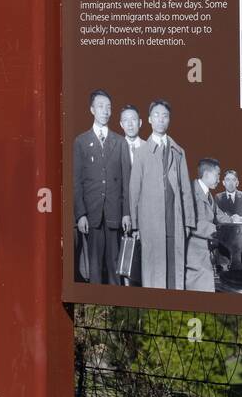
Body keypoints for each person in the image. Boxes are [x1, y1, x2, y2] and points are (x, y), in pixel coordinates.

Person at [128, 99, 193, 290]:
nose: (160, 120)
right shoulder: (141, 153)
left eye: (165, 116)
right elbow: (134, 190)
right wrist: (135, 225)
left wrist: (188, 221)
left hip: (175, 218)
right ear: (149, 119)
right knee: (153, 267)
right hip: (150, 221)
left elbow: (185, 190)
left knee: (175, 265)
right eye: (156, 115)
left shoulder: (178, 152)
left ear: (169, 120)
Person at [72, 89, 128, 284]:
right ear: (92, 110)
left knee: (115, 266)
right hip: (92, 214)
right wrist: (80, 214)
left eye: (109, 107)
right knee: (93, 267)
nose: (105, 111)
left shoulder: (120, 142)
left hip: (114, 213)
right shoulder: (80, 142)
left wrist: (126, 213)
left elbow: (126, 183)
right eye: (101, 106)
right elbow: (76, 182)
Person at [185, 158, 231, 292]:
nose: (219, 179)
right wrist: (217, 230)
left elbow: (218, 215)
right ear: (206, 174)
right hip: (194, 249)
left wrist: (236, 220)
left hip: (206, 247)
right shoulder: (190, 192)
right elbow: (190, 222)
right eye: (217, 175)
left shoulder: (208, 193)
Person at [117, 105, 149, 285]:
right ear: (121, 124)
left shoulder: (150, 148)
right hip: (123, 214)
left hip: (146, 216)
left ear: (141, 122)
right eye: (126, 120)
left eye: (134, 120)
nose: (130, 124)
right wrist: (126, 213)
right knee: (126, 261)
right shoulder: (115, 147)